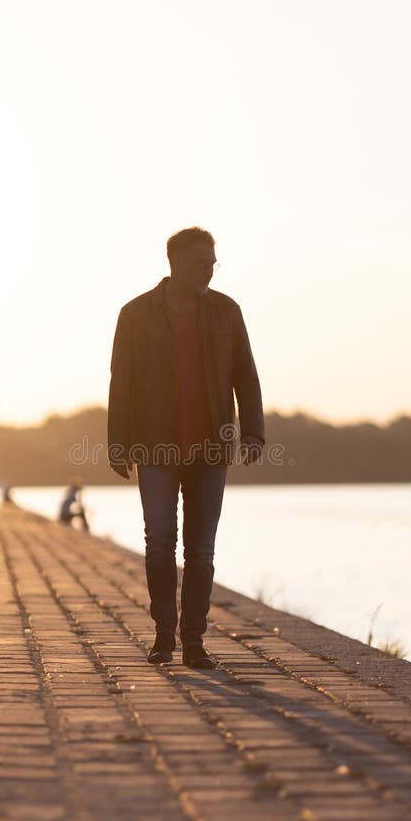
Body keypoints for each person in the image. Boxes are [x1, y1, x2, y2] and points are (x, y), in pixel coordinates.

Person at [108, 227, 264, 669]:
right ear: (174, 263)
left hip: (212, 450)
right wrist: (118, 444)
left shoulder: (226, 312)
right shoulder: (135, 314)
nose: (210, 269)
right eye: (202, 262)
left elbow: (245, 375)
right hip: (155, 448)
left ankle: (194, 641)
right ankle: (163, 637)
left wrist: (253, 433)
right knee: (159, 543)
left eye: (214, 262)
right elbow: (122, 382)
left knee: (201, 551)